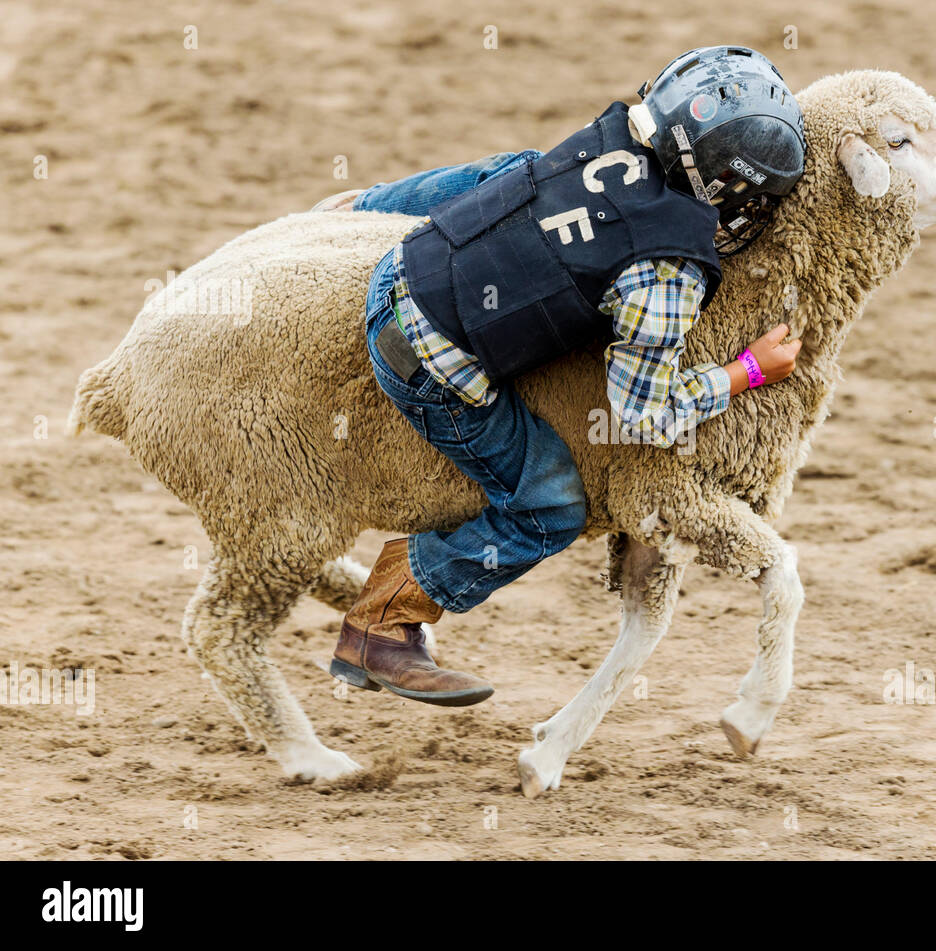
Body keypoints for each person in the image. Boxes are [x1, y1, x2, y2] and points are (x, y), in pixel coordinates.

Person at [322, 46, 807, 707]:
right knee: (551, 505)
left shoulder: (612, 136)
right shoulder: (668, 271)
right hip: (425, 356)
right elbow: (643, 412)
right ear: (729, 189)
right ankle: (382, 622)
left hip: (397, 266)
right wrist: (747, 370)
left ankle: (360, 207)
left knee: (521, 172)